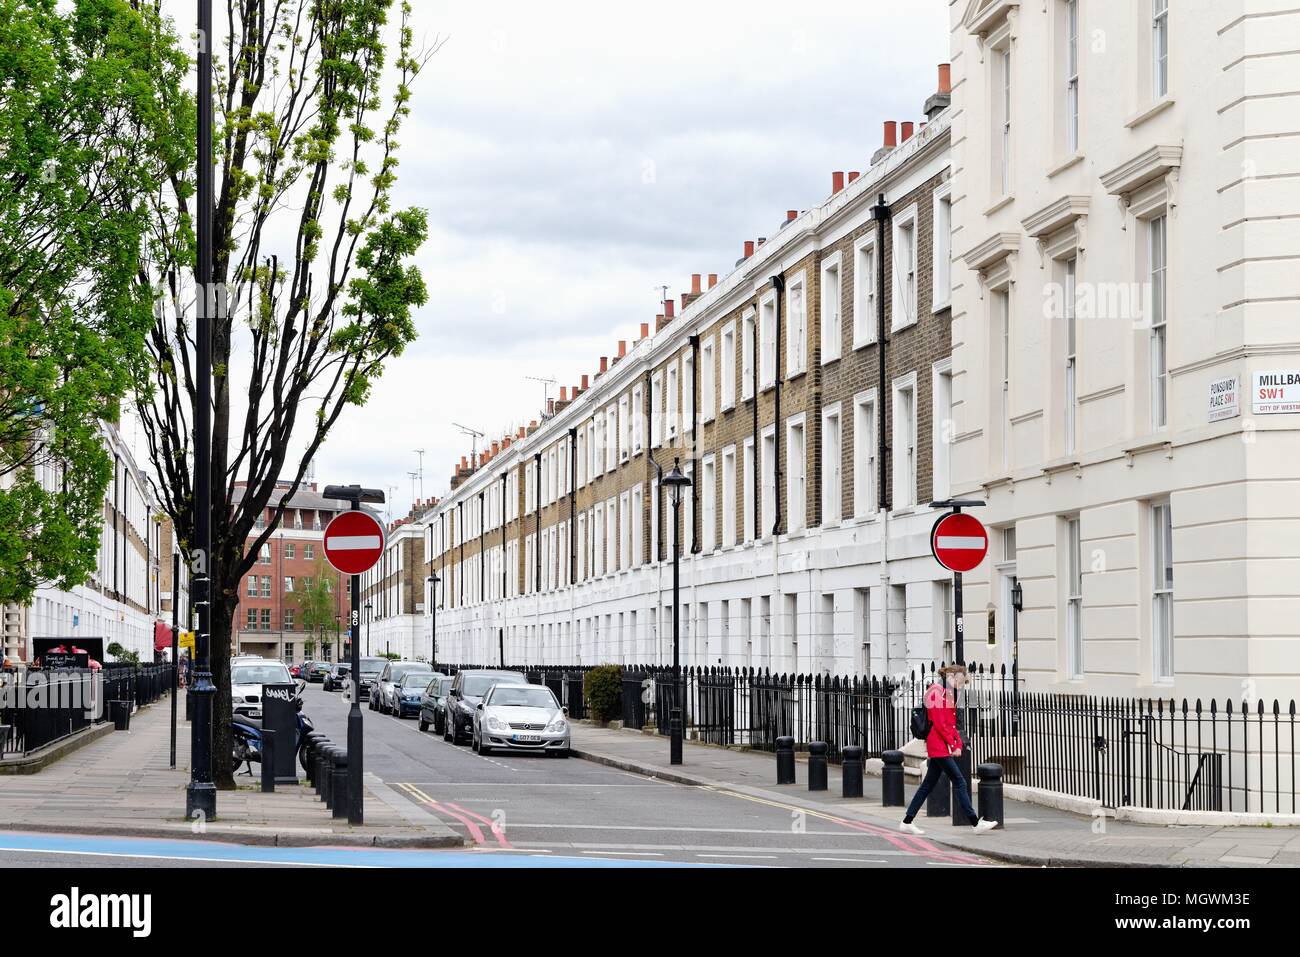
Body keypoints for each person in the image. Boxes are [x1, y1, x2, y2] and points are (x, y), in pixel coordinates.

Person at [900, 664, 998, 834]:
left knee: (928, 785)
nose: (960, 686)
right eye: (960, 682)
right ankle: (975, 823)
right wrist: (952, 745)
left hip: (941, 746)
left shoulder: (947, 693)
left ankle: (907, 821)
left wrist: (958, 744)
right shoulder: (936, 692)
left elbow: (952, 724)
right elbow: (939, 723)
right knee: (959, 782)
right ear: (951, 676)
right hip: (938, 746)